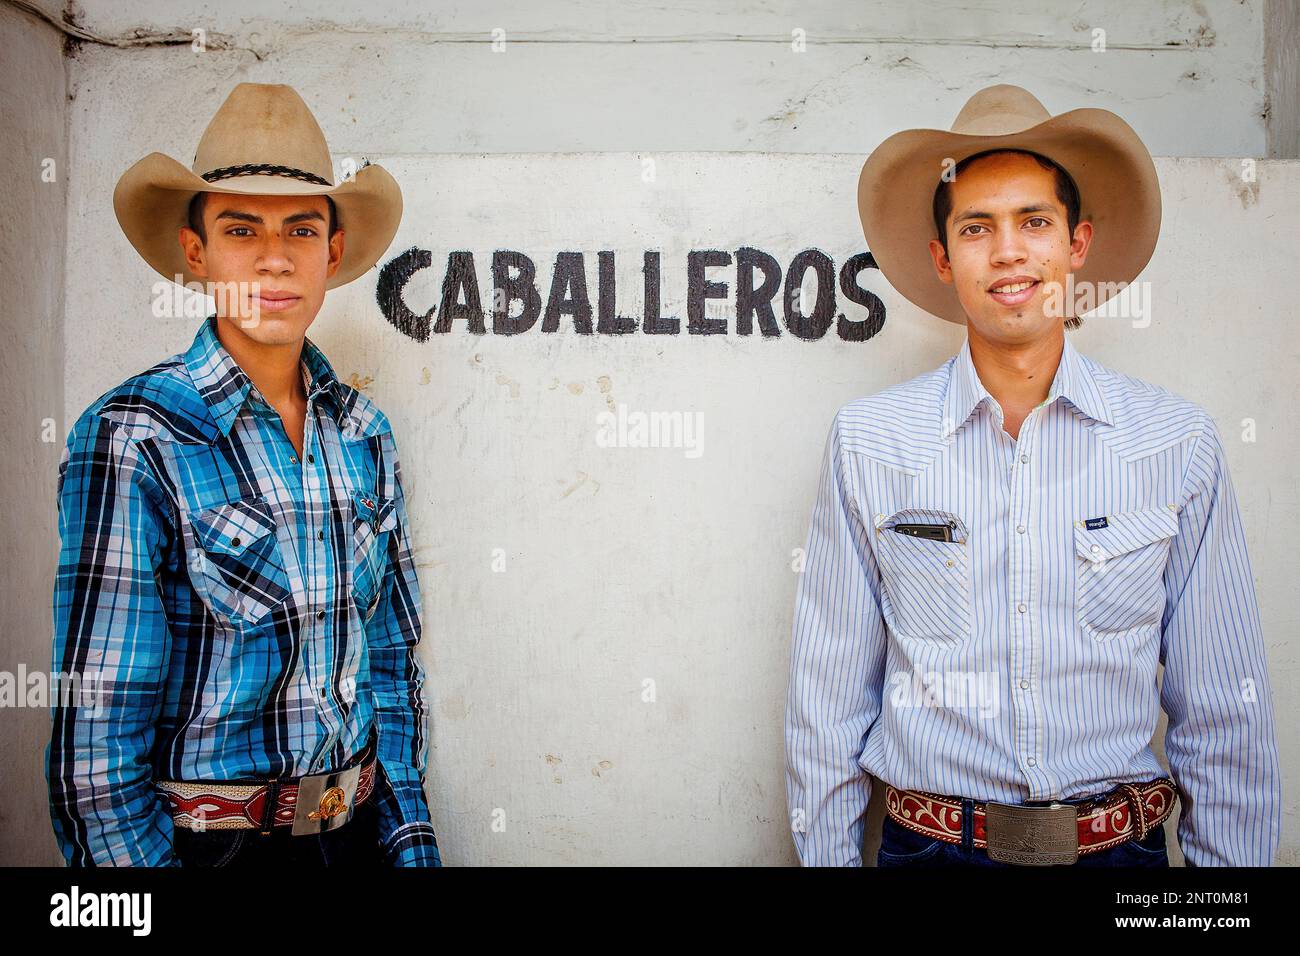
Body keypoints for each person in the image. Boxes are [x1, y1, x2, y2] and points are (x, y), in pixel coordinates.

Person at [785, 84, 1281, 867]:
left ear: (1076, 246)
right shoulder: (870, 442)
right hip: (932, 852)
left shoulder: (1175, 443)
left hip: (1121, 855)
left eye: (1034, 222)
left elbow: (1224, 709)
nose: (1009, 251)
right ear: (943, 260)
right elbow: (828, 699)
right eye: (977, 227)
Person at [47, 82, 441, 867]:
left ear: (332, 252)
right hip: (211, 850)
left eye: (301, 228)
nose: (273, 257)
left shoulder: (364, 432)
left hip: (354, 833)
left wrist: (409, 841)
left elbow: (391, 664)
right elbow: (98, 733)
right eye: (240, 228)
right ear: (196, 253)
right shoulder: (136, 435)